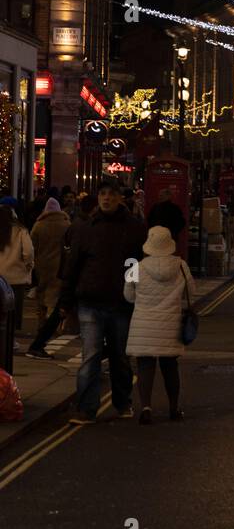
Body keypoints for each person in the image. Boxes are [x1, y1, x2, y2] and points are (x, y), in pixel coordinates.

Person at [58, 176, 146, 424]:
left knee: (120, 357)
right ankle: (87, 408)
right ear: (98, 198)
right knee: (90, 357)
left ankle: (122, 402)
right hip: (90, 302)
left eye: (112, 194)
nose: (107, 198)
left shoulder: (135, 227)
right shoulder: (86, 228)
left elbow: (137, 263)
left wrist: (134, 291)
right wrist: (66, 302)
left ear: (120, 198)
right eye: (103, 193)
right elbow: (72, 266)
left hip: (121, 303)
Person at [124, 225, 190, 423]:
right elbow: (191, 291)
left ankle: (145, 407)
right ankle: (174, 408)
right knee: (170, 365)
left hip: (144, 324)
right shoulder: (181, 266)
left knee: (145, 366)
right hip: (170, 323)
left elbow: (128, 296)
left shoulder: (136, 267)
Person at [26, 196, 71, 351]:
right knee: (55, 295)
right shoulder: (66, 224)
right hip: (60, 265)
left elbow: (32, 246)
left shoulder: (39, 225)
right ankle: (53, 322)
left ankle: (42, 321)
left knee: (42, 292)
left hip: (42, 265)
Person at [0, 202, 34, 341]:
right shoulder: (20, 230)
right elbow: (28, 252)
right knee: (14, 311)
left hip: (0, 279)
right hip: (16, 278)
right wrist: (28, 264)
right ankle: (10, 339)